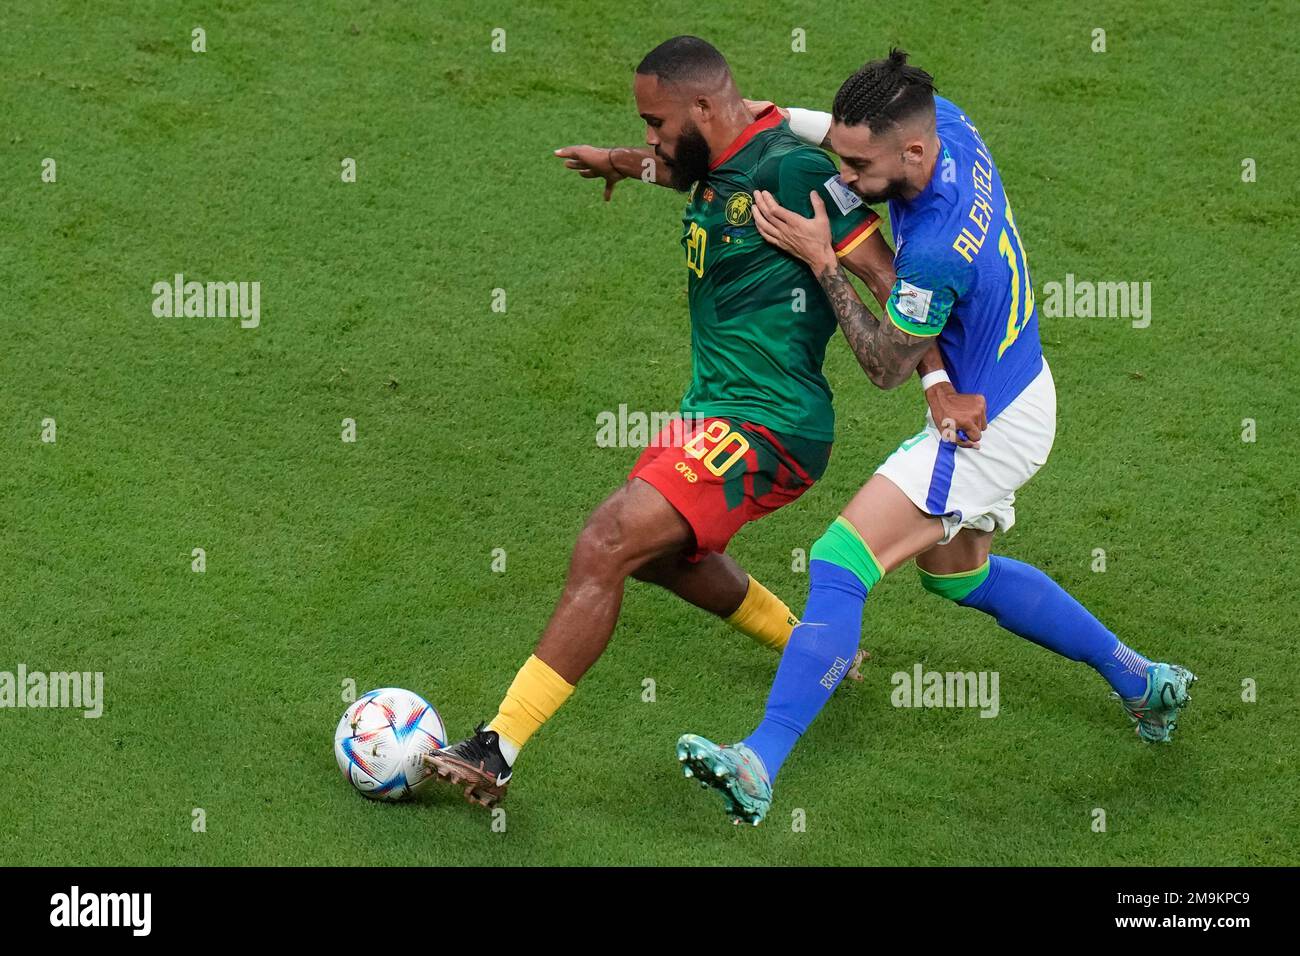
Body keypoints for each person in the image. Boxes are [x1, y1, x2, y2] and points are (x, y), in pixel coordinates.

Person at [677, 50, 1195, 826]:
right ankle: (1144, 681)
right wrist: (777, 117)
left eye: (858, 167)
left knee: (840, 561)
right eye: (843, 159)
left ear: (911, 154)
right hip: (1020, 384)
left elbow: (888, 363)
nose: (845, 179)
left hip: (989, 422)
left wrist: (824, 261)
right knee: (958, 577)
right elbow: (853, 133)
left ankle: (758, 761)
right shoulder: (946, 124)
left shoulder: (934, 250)